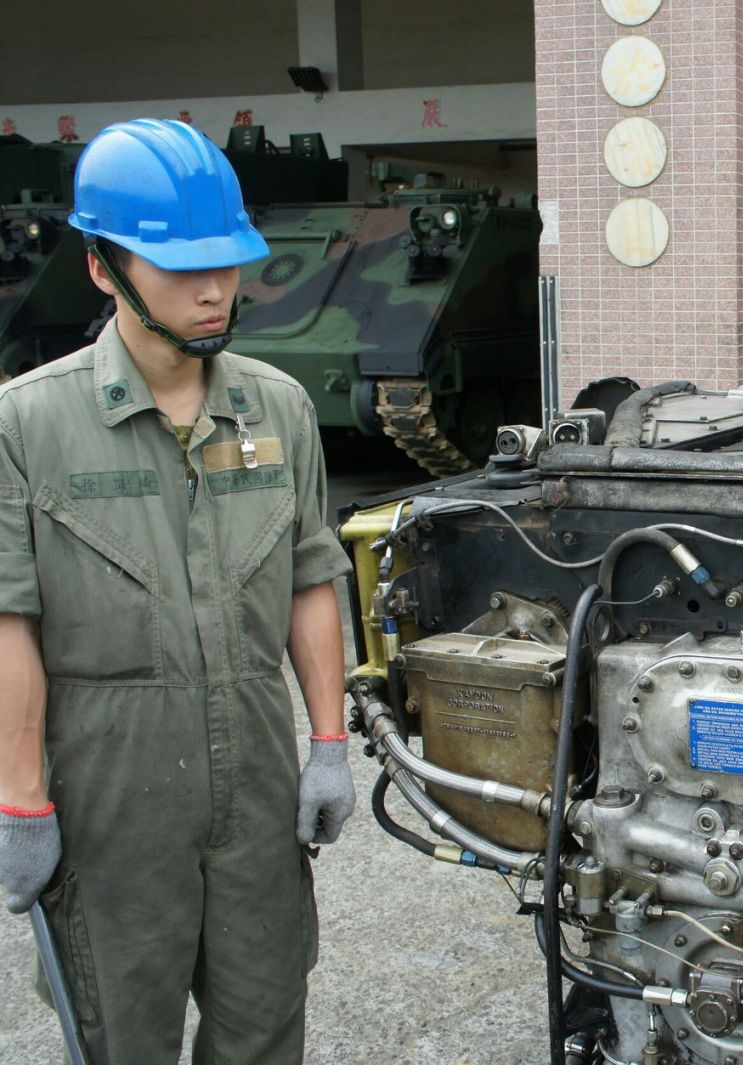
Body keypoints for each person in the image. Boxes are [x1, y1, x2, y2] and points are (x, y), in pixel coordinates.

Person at [0, 119, 354, 1063]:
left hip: (256, 797)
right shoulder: (28, 423)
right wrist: (23, 799)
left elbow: (311, 577)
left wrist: (326, 744)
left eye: (229, 264)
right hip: (112, 802)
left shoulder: (276, 407)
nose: (215, 291)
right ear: (103, 269)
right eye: (181, 268)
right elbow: (11, 623)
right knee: (124, 1036)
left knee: (264, 1028)